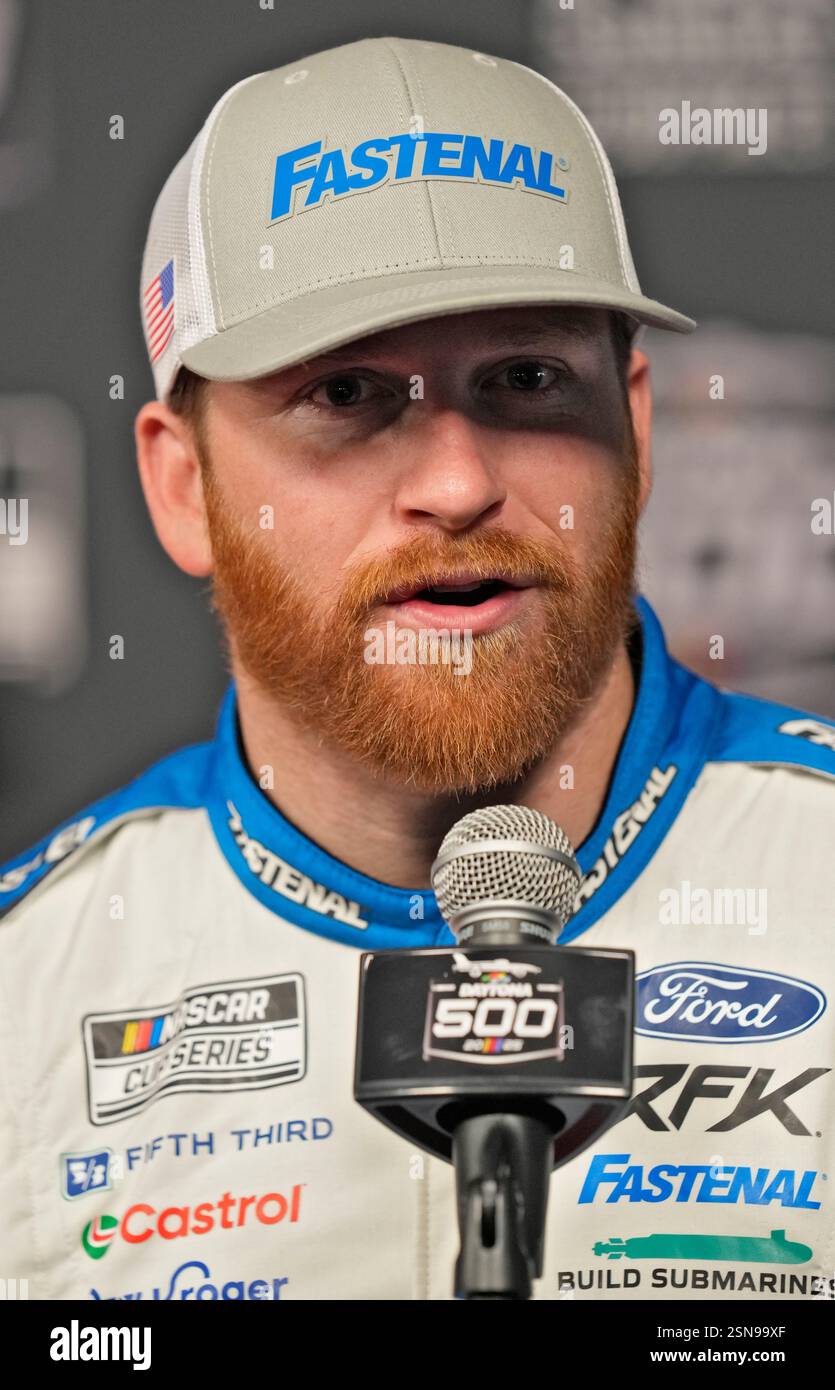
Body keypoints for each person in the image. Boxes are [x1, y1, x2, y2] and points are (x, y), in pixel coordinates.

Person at [1, 36, 833, 1304]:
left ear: (639, 425)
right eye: (345, 393)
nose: (456, 484)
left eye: (524, 379)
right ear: (184, 484)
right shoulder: (30, 994)